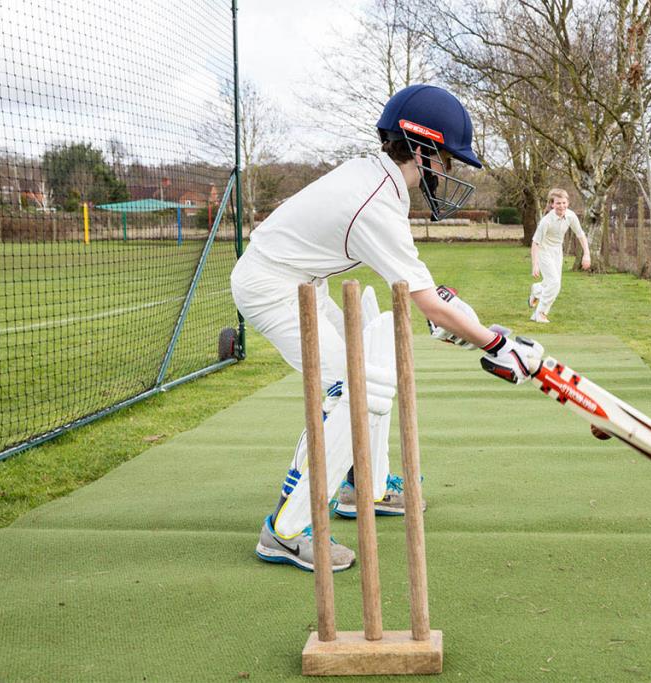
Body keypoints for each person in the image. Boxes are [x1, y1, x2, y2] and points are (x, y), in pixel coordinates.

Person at [230, 84, 544, 572]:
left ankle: (362, 488)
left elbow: (423, 292)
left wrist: (462, 322)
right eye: (445, 158)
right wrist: (497, 344)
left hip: (302, 281)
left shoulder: (375, 179)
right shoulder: (375, 200)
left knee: (370, 375)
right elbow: (425, 301)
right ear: (420, 148)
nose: (447, 170)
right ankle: (286, 531)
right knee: (352, 391)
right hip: (272, 287)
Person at [528, 188, 591, 323]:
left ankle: (537, 290)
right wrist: (535, 265)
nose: (561, 206)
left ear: (567, 203)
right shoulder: (546, 221)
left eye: (564, 203)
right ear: (552, 204)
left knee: (553, 284)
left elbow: (580, 235)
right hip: (544, 251)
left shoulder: (571, 216)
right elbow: (535, 243)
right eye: (558, 203)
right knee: (554, 283)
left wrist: (587, 254)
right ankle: (540, 313)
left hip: (557, 251)